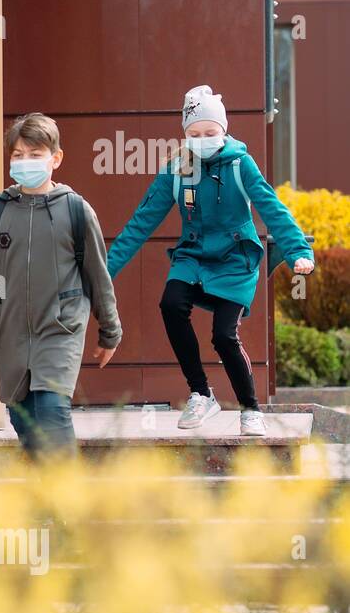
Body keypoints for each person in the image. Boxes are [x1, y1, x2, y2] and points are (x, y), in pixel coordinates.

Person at [107, 85, 315, 436]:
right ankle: (201, 393)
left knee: (223, 335)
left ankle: (250, 409)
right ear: (185, 135)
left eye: (210, 132)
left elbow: (272, 208)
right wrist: (105, 271)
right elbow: (140, 223)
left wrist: (299, 251)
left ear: (224, 130)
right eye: (194, 134)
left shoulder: (240, 165)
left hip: (235, 258)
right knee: (171, 304)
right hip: (194, 255)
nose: (203, 139)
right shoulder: (177, 170)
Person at [0, 113, 122, 459]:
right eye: (18, 155)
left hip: (60, 330)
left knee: (51, 411)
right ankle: (46, 507)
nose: (25, 162)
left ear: (56, 158)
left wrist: (110, 332)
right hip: (11, 335)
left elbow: (97, 276)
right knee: (26, 423)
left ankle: (68, 509)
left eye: (35, 154)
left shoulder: (76, 211)